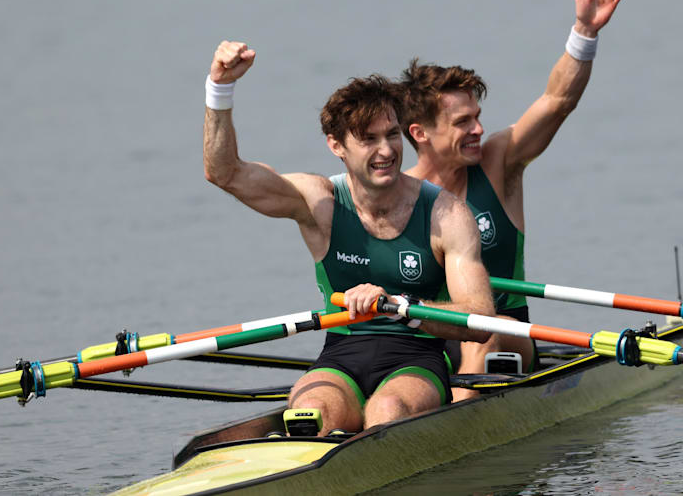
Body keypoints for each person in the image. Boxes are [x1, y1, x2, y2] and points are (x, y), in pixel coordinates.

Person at [203, 40, 495, 434]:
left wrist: (400, 305)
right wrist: (219, 88)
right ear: (336, 145)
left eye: (391, 135)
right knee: (309, 411)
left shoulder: (447, 214)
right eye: (369, 139)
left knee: (389, 409)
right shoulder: (318, 202)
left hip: (417, 358)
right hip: (341, 353)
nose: (386, 151)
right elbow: (226, 174)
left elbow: (481, 320)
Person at [398, 0, 628, 401]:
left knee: (484, 329)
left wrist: (584, 32)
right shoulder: (395, 194)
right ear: (420, 134)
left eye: (478, 117)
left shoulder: (498, 162)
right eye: (463, 122)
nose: (479, 130)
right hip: (425, 342)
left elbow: (557, 101)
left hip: (506, 335)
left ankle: (459, 426)